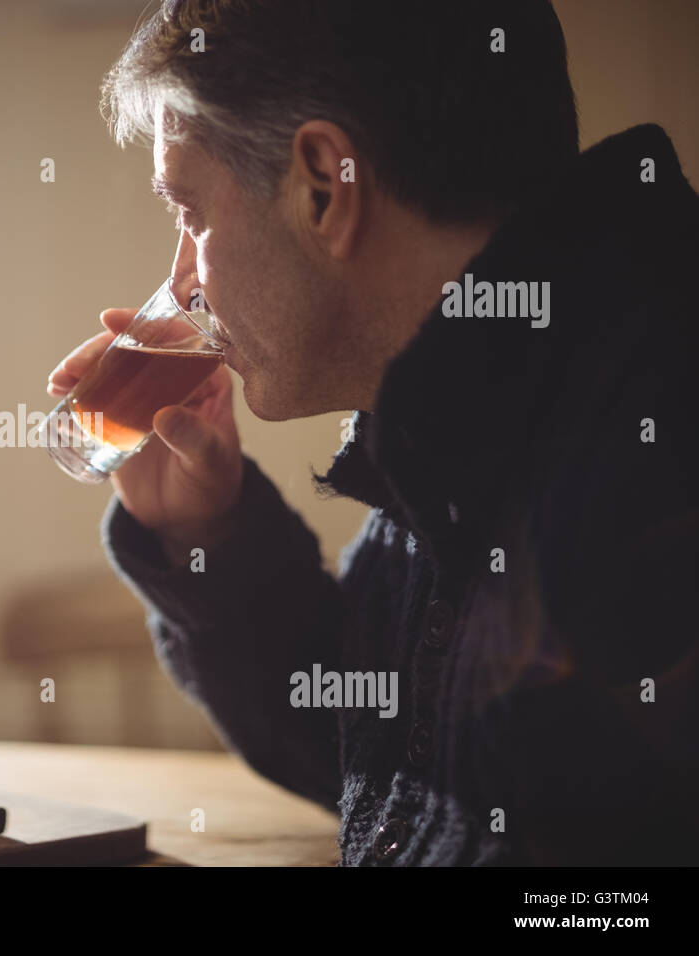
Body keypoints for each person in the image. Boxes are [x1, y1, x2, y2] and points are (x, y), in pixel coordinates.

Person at [47, 0, 698, 865]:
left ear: (325, 185)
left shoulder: (653, 427)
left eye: (191, 210)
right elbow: (400, 760)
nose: (182, 281)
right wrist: (213, 533)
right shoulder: (465, 392)